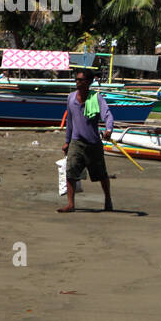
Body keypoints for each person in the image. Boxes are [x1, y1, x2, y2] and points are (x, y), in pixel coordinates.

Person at [59, 68, 114, 213]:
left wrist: (109, 129)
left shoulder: (96, 98)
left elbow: (107, 115)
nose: (77, 83)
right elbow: (70, 121)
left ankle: (108, 199)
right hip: (76, 142)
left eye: (81, 80)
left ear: (89, 82)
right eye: (76, 80)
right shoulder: (71, 98)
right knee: (70, 171)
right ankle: (71, 204)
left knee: (101, 174)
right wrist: (67, 141)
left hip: (93, 143)